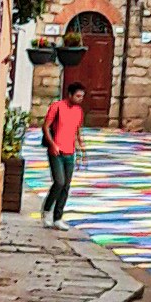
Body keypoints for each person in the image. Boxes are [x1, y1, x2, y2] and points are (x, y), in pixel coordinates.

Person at [40, 81, 85, 222]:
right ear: (70, 95)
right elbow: (46, 127)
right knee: (59, 182)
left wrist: (80, 148)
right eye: (78, 96)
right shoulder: (57, 107)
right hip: (57, 150)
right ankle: (47, 209)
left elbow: (77, 130)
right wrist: (52, 144)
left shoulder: (78, 111)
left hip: (70, 151)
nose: (80, 99)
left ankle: (58, 217)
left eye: (82, 96)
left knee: (66, 186)